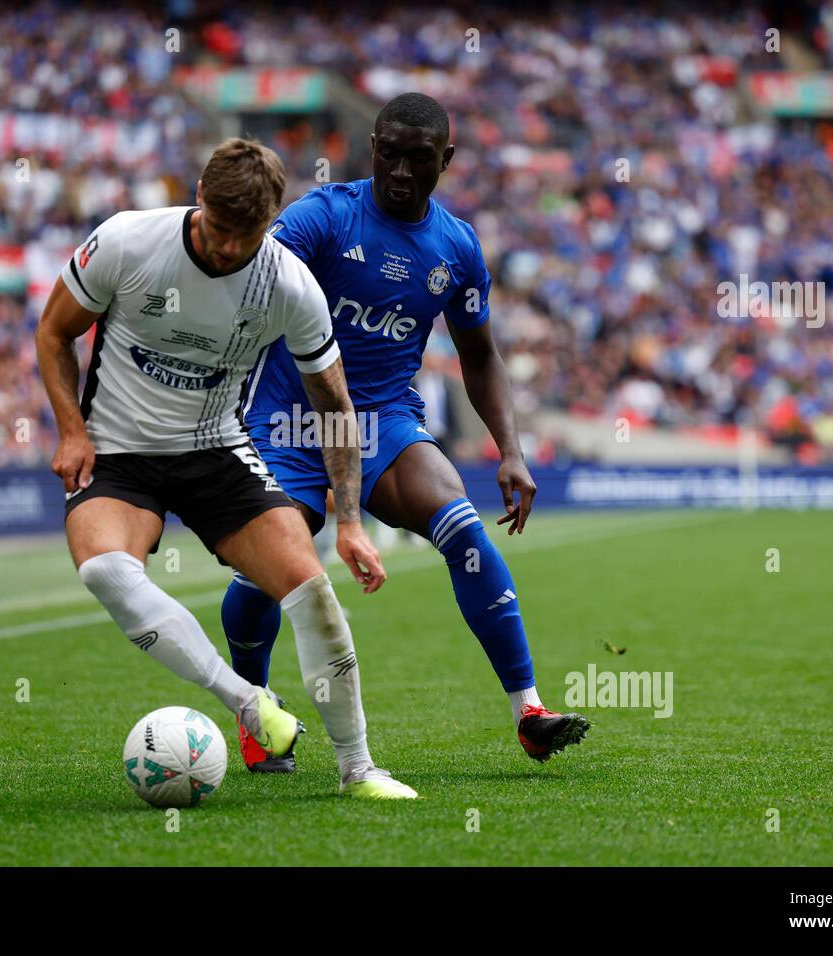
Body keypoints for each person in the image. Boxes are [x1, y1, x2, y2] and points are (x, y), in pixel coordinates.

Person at [36, 138, 417, 799]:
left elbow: (335, 404)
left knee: (310, 587)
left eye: (246, 236)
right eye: (217, 229)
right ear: (198, 197)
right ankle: (246, 701)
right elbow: (52, 331)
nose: (227, 250)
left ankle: (359, 769)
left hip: (214, 448)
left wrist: (350, 520)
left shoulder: (291, 284)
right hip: (118, 452)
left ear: (270, 223)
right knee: (103, 567)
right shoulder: (127, 241)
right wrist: (72, 431)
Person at [223, 94, 590, 772]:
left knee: (465, 531)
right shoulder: (322, 217)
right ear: (371, 147)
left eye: (417, 158)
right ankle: (257, 708)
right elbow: (247, 284)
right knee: (268, 567)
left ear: (444, 161)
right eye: (386, 152)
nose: (398, 169)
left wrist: (510, 450)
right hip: (290, 422)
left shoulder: (456, 247)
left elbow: (480, 356)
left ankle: (529, 711)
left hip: (384, 424)